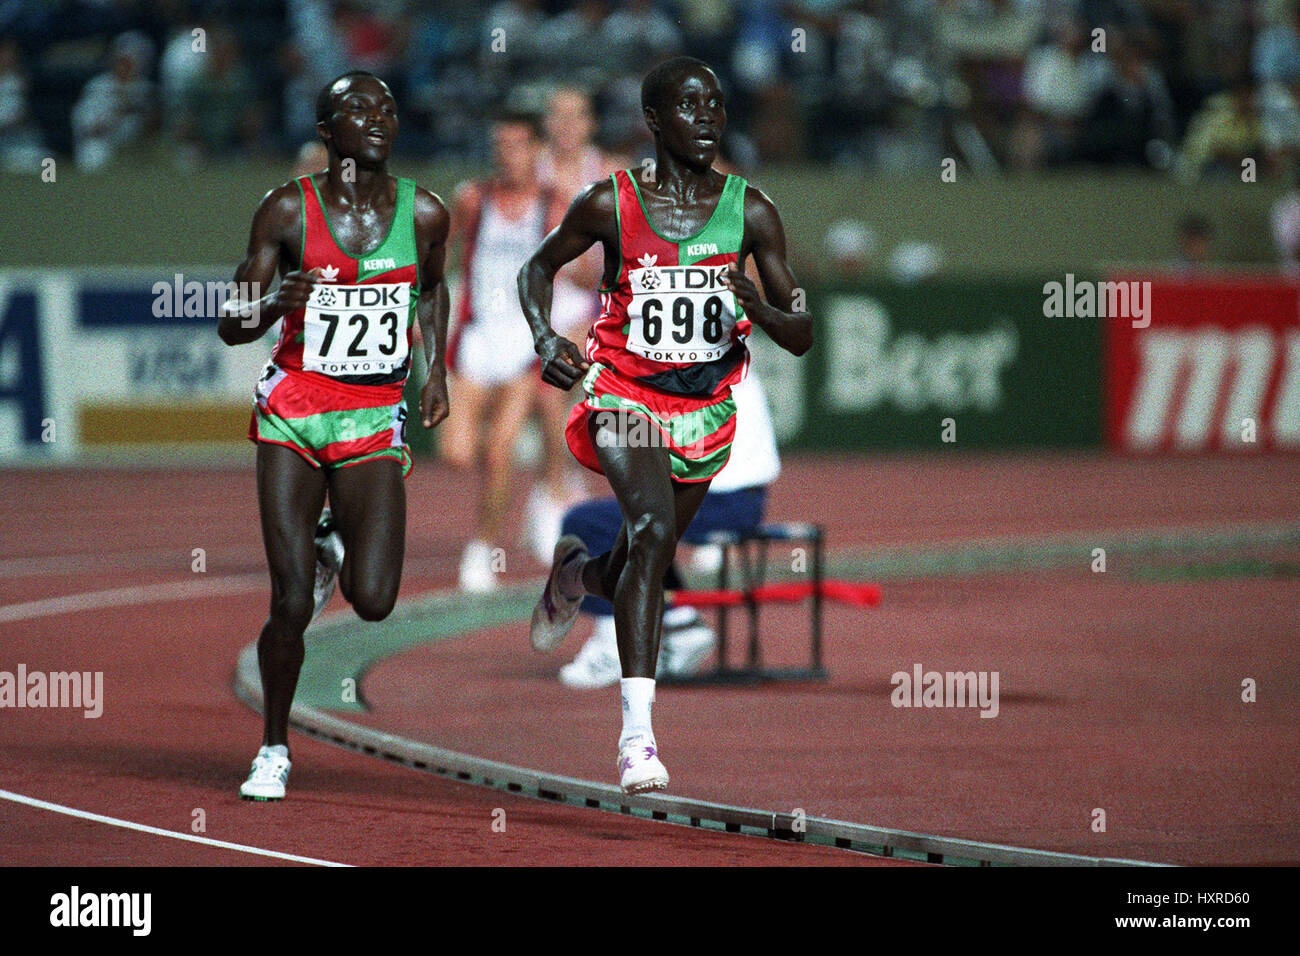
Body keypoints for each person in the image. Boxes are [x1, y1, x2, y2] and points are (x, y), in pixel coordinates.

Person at [518, 56, 812, 794]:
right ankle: (637, 740)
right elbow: (536, 269)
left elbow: (801, 332)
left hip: (705, 413)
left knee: (641, 559)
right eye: (690, 106)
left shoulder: (751, 210)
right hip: (621, 394)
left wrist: (761, 303)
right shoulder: (610, 203)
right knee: (649, 533)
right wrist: (545, 337)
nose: (709, 118)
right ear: (655, 120)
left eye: (716, 105)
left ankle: (578, 574)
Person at [218, 71, 451, 801]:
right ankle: (274, 748)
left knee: (375, 598)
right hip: (294, 410)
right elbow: (232, 321)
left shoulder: (427, 213)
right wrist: (270, 303)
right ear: (326, 132)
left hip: (373, 413)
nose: (377, 118)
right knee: (290, 603)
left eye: (386, 106)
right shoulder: (287, 209)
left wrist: (435, 369)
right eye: (357, 109)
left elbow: (435, 287)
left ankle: (332, 546)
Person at [558, 368, 781, 688]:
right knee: (627, 517)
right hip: (738, 498)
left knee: (587, 524)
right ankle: (680, 622)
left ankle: (614, 646)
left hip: (722, 501)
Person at [441, 110, 557, 592]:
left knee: (499, 451)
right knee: (457, 454)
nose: (509, 155)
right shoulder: (472, 199)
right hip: (475, 339)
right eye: (501, 145)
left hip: (523, 344)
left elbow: (579, 272)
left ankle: (482, 549)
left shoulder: (553, 205)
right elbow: (436, 256)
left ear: (535, 150)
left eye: (518, 144)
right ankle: (521, 495)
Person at [521, 86, 628, 563]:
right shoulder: (528, 168)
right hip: (531, 302)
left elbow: (628, 246)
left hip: (592, 304)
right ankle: (555, 486)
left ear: (590, 123)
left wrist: (596, 279)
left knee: (562, 387)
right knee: (469, 443)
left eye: (575, 115)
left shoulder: (607, 172)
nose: (566, 125)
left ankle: (559, 488)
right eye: (557, 115)